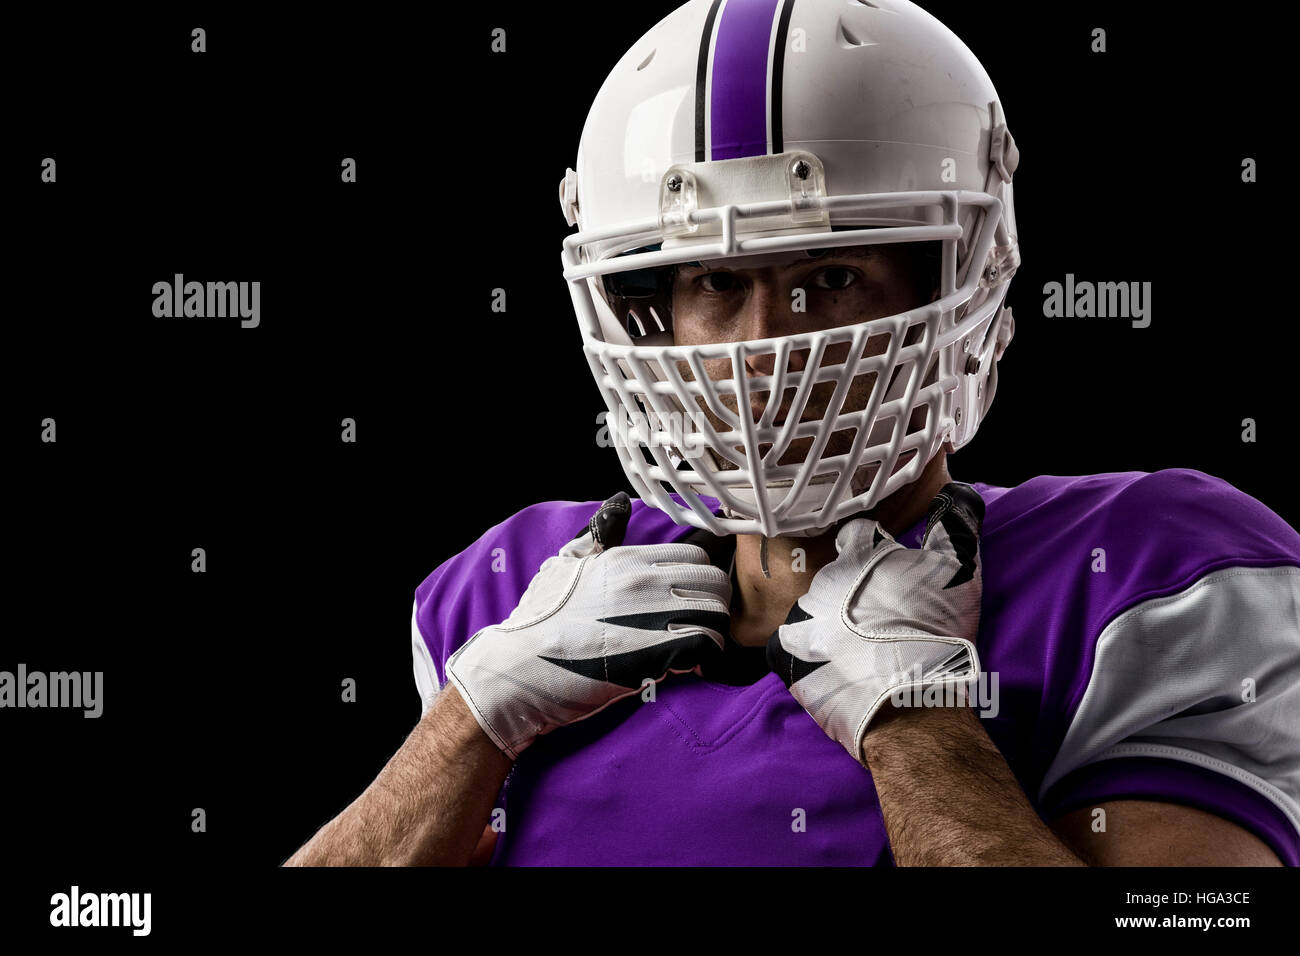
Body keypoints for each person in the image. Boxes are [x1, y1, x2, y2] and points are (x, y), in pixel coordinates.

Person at [284, 0, 1299, 866]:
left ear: (958, 283)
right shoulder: (507, 589)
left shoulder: (1139, 573)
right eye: (717, 282)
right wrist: (471, 721)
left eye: (830, 277)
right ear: (650, 309)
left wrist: (917, 723)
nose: (765, 344)